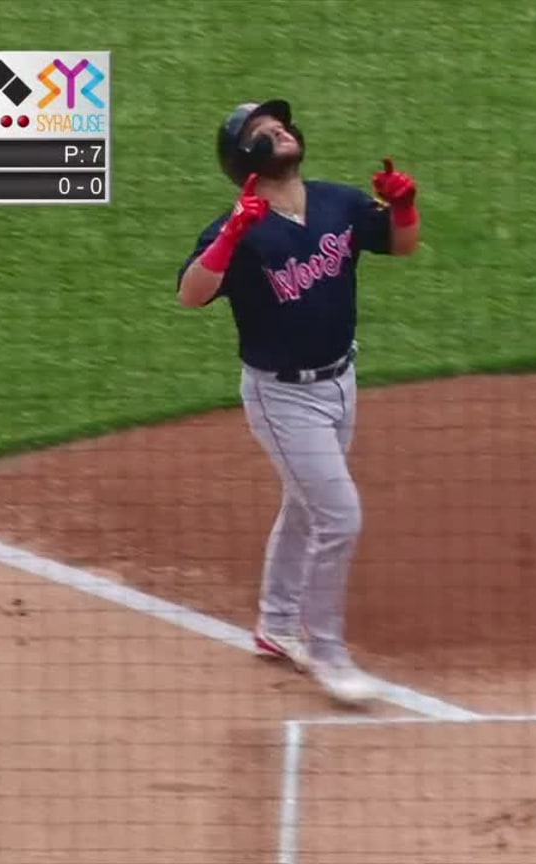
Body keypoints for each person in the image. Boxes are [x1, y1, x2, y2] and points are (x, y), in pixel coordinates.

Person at [175, 99, 421, 705]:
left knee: (306, 505)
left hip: (342, 380)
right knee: (339, 516)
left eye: (282, 125)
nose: (281, 131)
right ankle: (327, 652)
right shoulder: (239, 228)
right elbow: (190, 294)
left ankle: (277, 625)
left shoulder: (337, 201)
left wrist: (405, 206)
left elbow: (402, 244)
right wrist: (233, 231)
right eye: (265, 131)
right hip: (282, 395)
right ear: (246, 158)